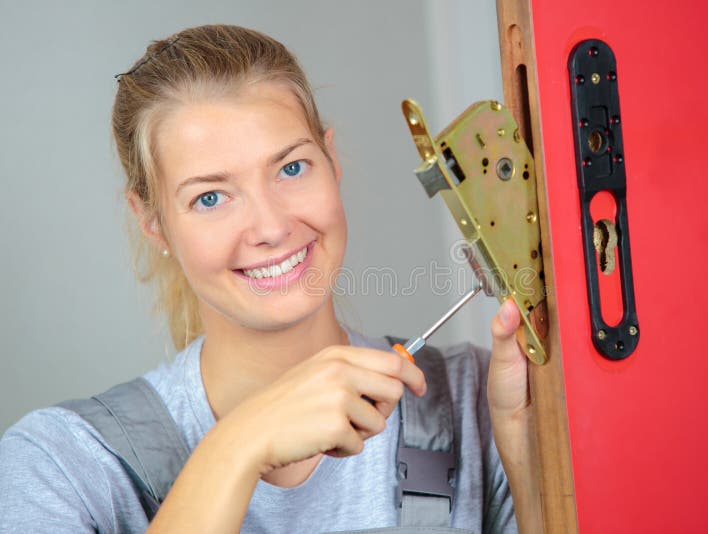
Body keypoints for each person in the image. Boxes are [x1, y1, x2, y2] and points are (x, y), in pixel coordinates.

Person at [0, 24, 533, 533]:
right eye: (210, 197)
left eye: (292, 168)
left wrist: (535, 468)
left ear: (332, 160)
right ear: (151, 221)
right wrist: (239, 445)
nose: (272, 227)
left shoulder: (477, 401)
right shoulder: (62, 463)